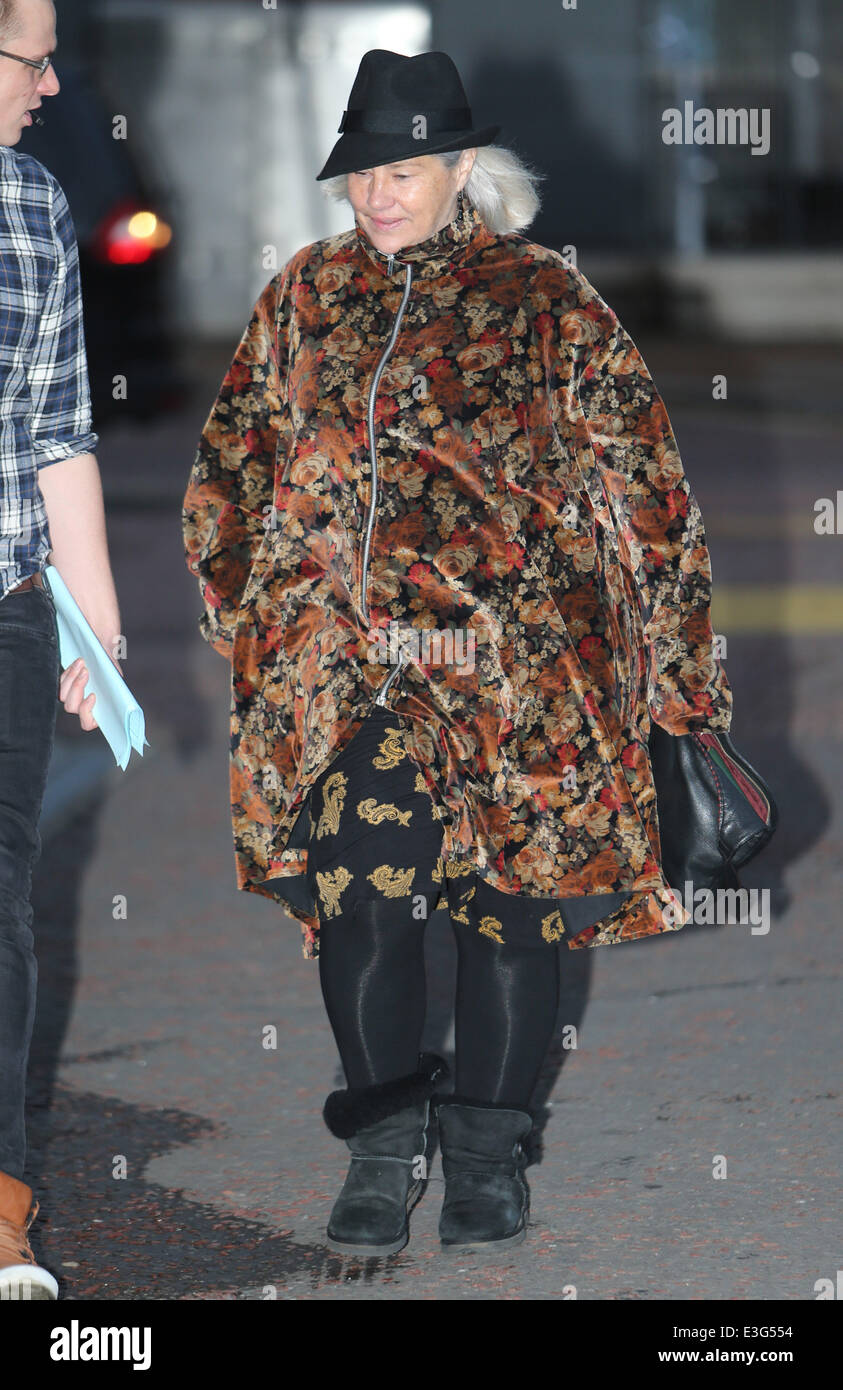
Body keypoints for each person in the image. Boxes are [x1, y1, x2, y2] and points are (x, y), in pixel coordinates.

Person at [182, 49, 732, 1257]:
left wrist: (682, 684)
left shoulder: (548, 301)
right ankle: (385, 1140)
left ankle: (488, 1149)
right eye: (363, 171)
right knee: (363, 887)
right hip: (358, 673)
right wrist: (261, 617)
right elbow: (228, 473)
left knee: (511, 919)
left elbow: (652, 496)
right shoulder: (304, 299)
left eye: (408, 169)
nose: (380, 194)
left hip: (531, 676)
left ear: (463, 169)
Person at [0, 0, 122, 1298]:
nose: (51, 86)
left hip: (5, 601)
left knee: (0, 907)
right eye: (34, 59)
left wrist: (97, 622)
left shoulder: (33, 204)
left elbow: (58, 425)